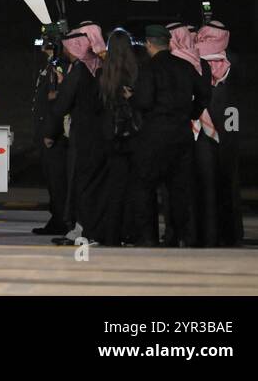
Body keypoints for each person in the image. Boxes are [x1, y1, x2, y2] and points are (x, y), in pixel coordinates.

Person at [128, 24, 209, 247]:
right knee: (179, 189)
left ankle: (149, 237)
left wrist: (131, 98)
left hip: (155, 135)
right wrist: (191, 113)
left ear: (149, 44)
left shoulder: (149, 68)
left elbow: (144, 101)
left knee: (146, 186)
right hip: (182, 135)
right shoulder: (185, 67)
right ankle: (182, 236)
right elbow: (204, 95)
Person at [50, 23, 107, 245]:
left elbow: (62, 104)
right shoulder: (102, 67)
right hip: (101, 134)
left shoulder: (81, 70)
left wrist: (60, 93)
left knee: (81, 182)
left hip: (83, 136)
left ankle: (82, 228)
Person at [197, 20, 243, 246]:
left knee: (206, 183)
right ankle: (232, 233)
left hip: (205, 130)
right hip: (230, 130)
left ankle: (209, 232)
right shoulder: (233, 60)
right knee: (229, 182)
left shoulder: (196, 59)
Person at [169, 21, 214, 246]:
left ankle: (179, 235)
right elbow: (205, 95)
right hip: (197, 129)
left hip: (178, 130)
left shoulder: (174, 63)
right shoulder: (201, 63)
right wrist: (194, 113)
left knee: (179, 185)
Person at [95, 29, 141, 245]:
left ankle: (111, 232)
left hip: (109, 136)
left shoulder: (104, 73)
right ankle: (129, 231)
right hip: (131, 137)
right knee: (132, 188)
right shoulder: (135, 73)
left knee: (113, 187)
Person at [30, 32, 70, 235]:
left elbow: (57, 99)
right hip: (44, 129)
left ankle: (61, 220)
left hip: (52, 133)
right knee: (52, 180)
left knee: (57, 180)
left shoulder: (58, 66)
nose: (41, 44)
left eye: (46, 41)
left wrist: (50, 132)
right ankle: (57, 218)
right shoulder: (48, 66)